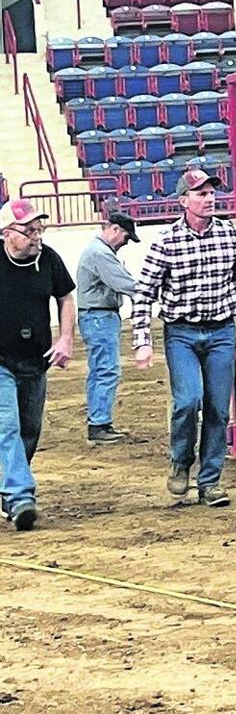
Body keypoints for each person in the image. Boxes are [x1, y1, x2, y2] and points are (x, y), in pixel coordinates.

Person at [132, 169, 236, 508]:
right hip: (182, 333)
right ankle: (181, 459)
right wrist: (142, 339)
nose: (209, 199)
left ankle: (210, 482)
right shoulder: (166, 241)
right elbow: (144, 293)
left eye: (211, 193)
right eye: (201, 194)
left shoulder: (232, 235)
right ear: (183, 201)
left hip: (221, 330)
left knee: (219, 409)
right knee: (188, 401)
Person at [0, 199, 74, 532]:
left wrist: (65, 339)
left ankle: (9, 487)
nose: (36, 235)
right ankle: (19, 497)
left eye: (38, 228)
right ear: (5, 234)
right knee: (8, 426)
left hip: (36, 360)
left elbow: (66, 298)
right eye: (28, 230)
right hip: (1, 360)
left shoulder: (50, 259)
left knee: (30, 430)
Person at [75, 211, 140, 446]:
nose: (125, 242)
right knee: (106, 369)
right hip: (99, 317)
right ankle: (99, 423)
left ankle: (98, 422)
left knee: (100, 369)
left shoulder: (97, 251)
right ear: (114, 229)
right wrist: (151, 291)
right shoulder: (101, 253)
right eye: (125, 236)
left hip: (96, 316)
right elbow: (123, 282)